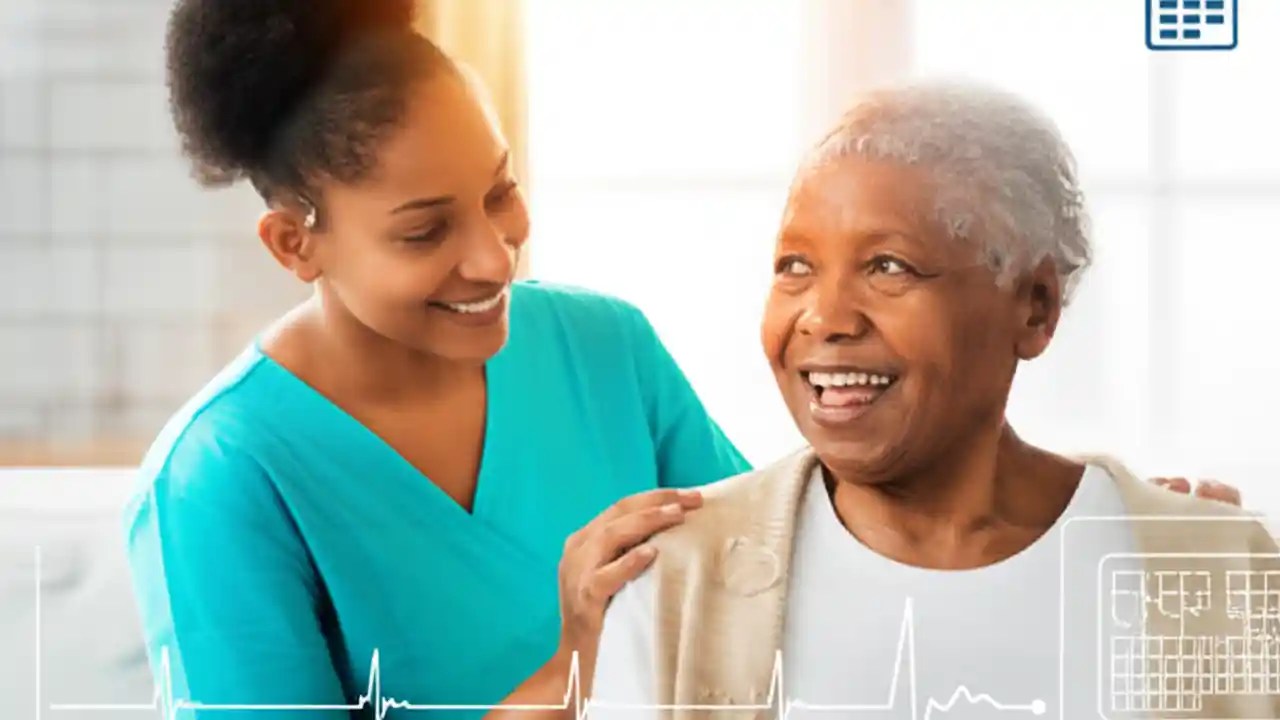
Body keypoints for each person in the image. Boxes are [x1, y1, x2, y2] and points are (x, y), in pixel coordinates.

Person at [123, 1, 1243, 717]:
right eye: (424, 232)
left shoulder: (598, 344)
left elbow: (796, 543)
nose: (492, 253)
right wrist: (575, 674)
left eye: (501, 192)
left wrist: (1098, 521)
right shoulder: (222, 477)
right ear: (292, 242)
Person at [589, 82, 1280, 720]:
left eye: (889, 267)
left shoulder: (1215, 564)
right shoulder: (671, 579)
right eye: (795, 266)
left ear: (1034, 309)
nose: (825, 317)